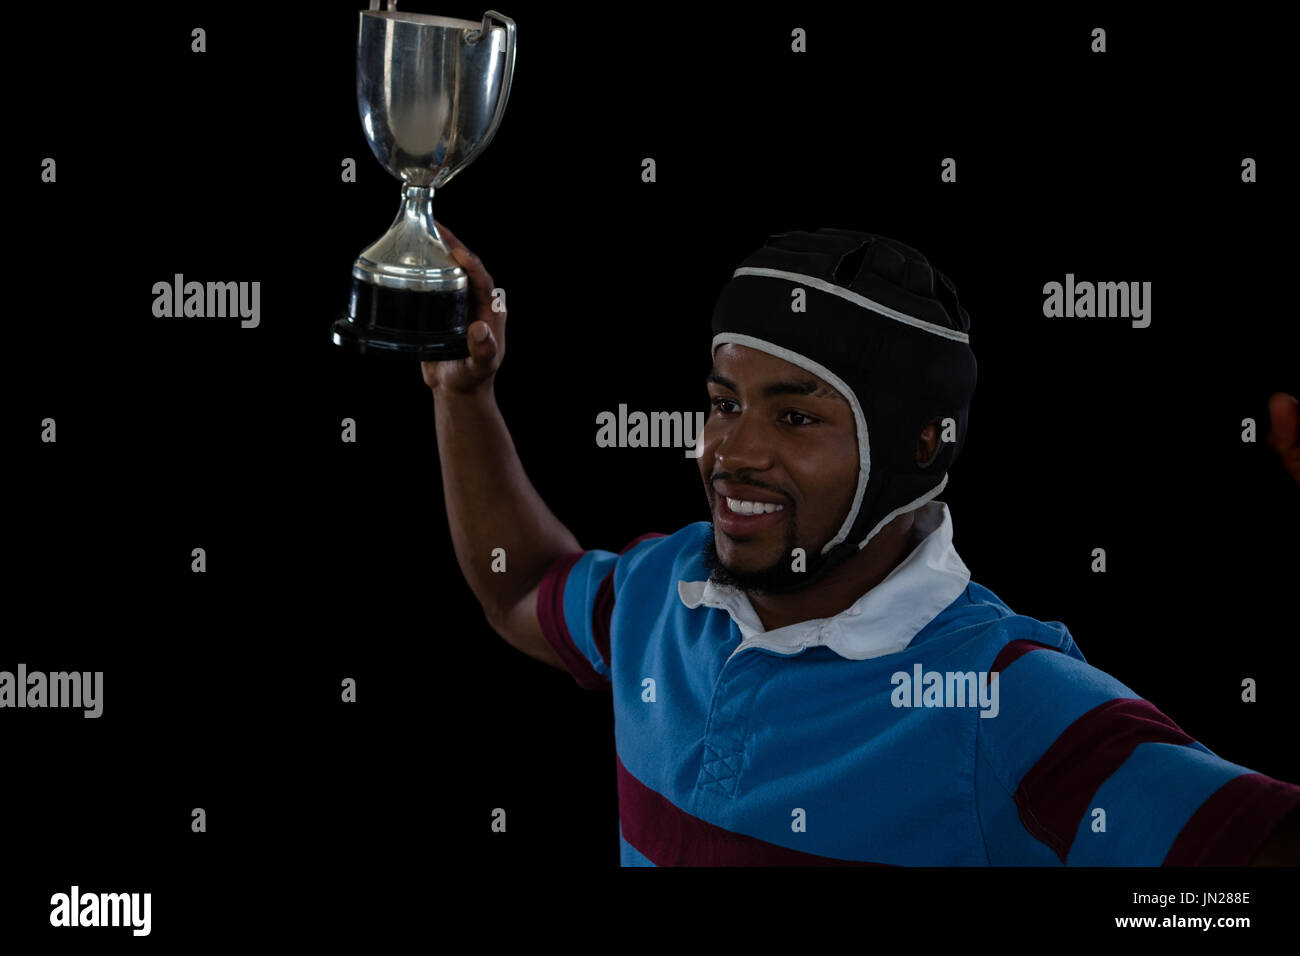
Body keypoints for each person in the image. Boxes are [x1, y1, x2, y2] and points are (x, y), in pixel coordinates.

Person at [423, 224, 1300, 866]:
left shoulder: (1008, 701)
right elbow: (520, 587)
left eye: (795, 415)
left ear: (921, 448)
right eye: (725, 402)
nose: (733, 453)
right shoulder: (665, 587)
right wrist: (465, 398)